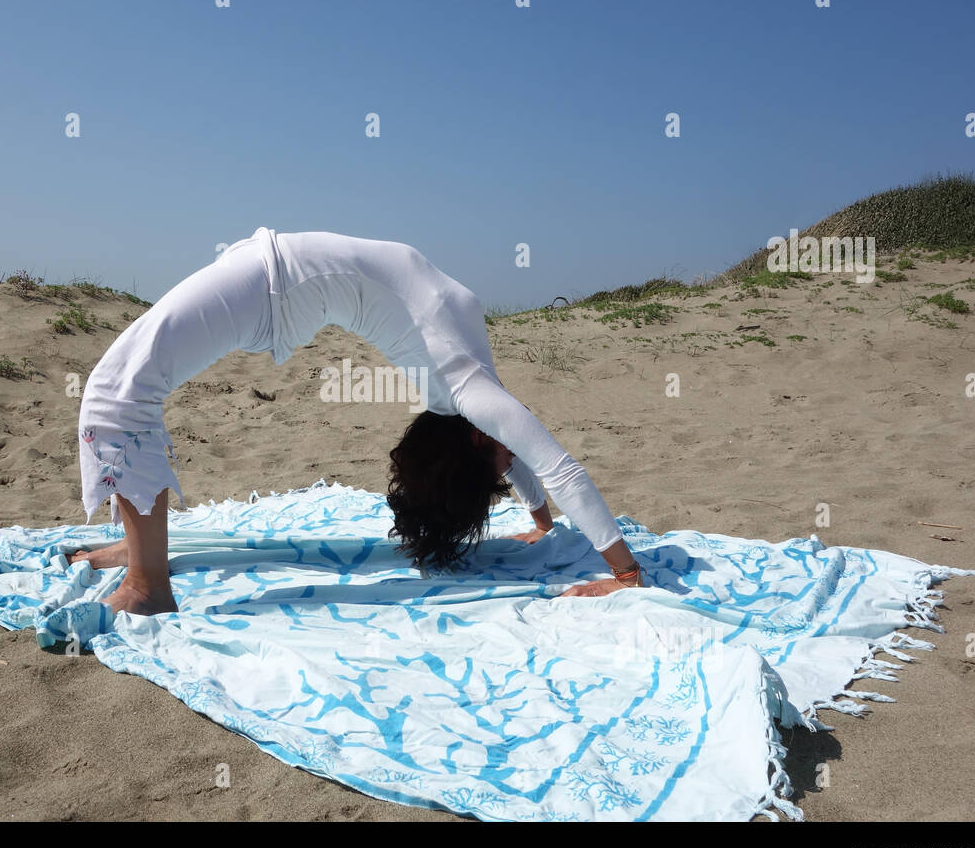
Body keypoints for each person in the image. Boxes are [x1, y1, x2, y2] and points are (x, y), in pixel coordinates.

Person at [70, 227, 646, 615]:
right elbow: (553, 465)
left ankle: (147, 585)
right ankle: (140, 552)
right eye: (501, 472)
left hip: (274, 285)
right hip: (272, 278)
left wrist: (607, 566)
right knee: (121, 390)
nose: (510, 464)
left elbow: (532, 457)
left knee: (117, 394)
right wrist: (579, 544)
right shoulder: (475, 396)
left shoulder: (472, 399)